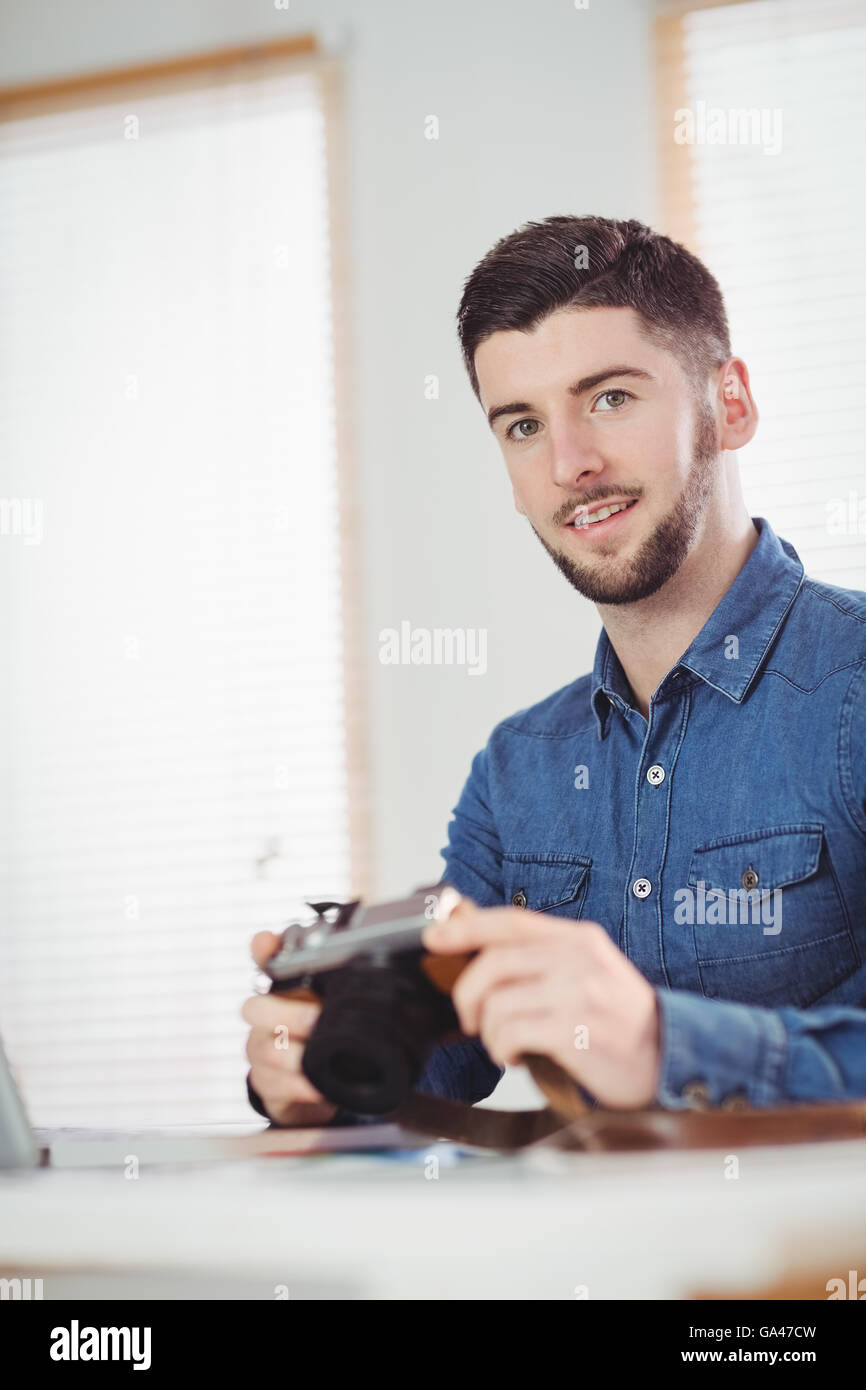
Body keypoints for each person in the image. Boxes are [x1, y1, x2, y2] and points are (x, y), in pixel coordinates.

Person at [244, 215, 866, 1128]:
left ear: (729, 404)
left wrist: (660, 1044)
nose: (569, 464)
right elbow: (434, 1065)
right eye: (524, 424)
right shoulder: (516, 773)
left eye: (610, 398)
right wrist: (315, 1069)